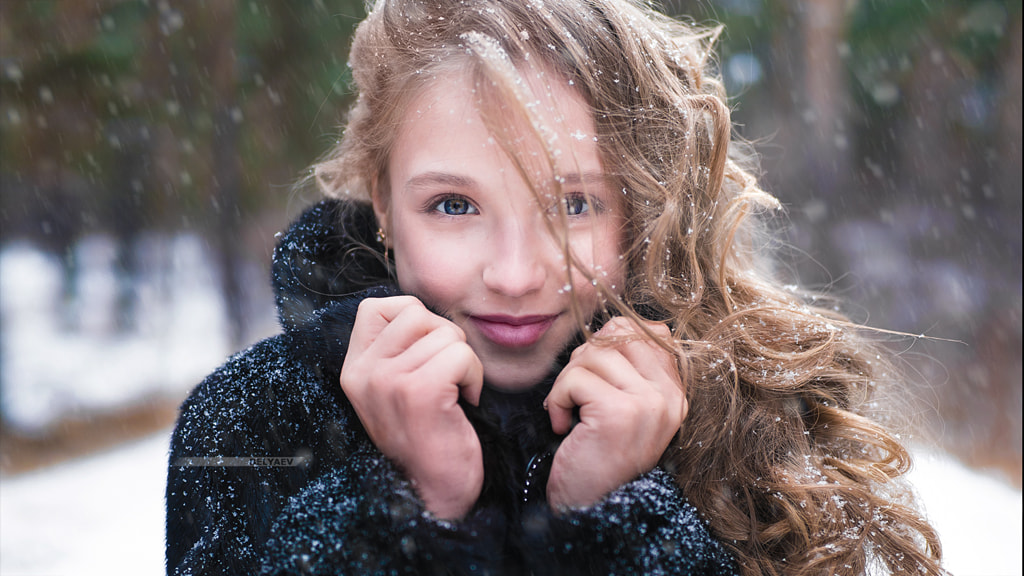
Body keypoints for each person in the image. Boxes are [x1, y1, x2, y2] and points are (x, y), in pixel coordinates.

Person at [165, 0, 945, 574]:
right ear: (383, 199)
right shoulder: (250, 426)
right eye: (454, 205)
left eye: (574, 204)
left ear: (641, 203)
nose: (514, 274)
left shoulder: (754, 419)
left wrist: (618, 518)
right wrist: (408, 510)